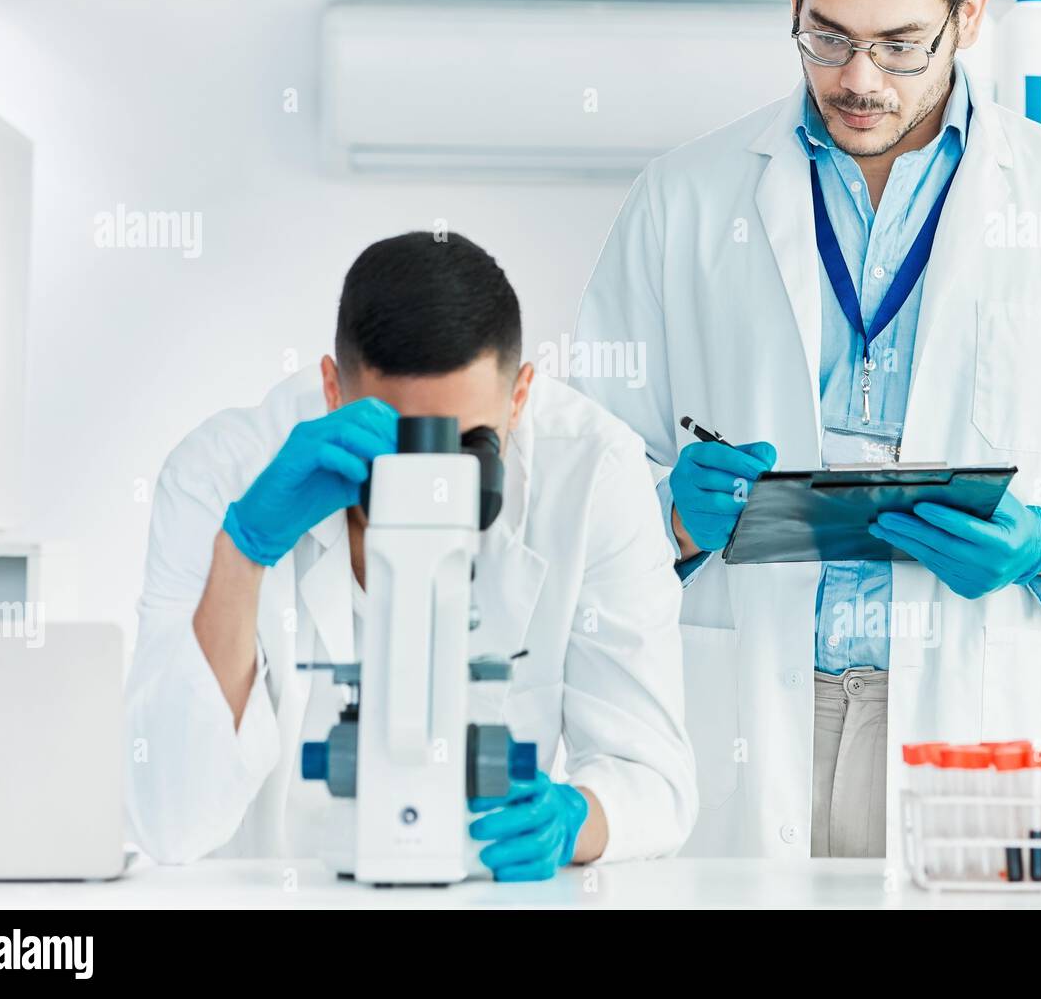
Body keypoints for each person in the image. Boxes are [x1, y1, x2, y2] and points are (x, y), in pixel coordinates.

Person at [571, 0, 1041, 859]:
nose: (858, 80)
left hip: (970, 726)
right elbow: (584, 467)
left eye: (899, 44)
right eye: (826, 36)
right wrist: (667, 515)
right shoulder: (683, 200)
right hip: (741, 711)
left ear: (969, 17)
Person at [126, 231, 697, 878]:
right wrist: (244, 550)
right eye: (400, 441)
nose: (435, 478)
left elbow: (653, 778)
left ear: (519, 397)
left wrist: (577, 819)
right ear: (332, 389)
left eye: (465, 446)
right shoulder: (221, 472)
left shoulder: (593, 469)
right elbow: (167, 817)